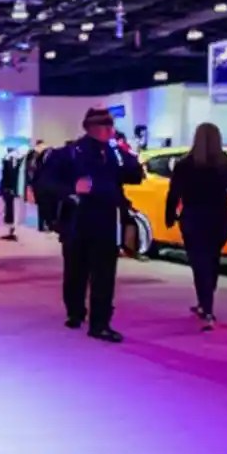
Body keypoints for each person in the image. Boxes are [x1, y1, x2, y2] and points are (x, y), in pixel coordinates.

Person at [41, 108, 144, 343]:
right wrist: (71, 189)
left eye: (111, 127)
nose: (111, 131)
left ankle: (99, 323)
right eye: (106, 127)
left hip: (106, 220)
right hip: (77, 220)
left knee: (104, 274)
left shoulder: (114, 153)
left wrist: (125, 151)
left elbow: (135, 175)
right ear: (92, 129)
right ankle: (76, 312)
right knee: (76, 270)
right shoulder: (70, 153)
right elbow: (45, 183)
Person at [165, 123, 227, 330]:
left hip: (194, 216)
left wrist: (170, 215)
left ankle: (206, 306)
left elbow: (174, 192)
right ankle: (206, 302)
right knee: (212, 259)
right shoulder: (225, 163)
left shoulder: (185, 164)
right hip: (219, 215)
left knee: (198, 261)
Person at [0, 148, 24, 241]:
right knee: (10, 210)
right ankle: (12, 230)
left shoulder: (11, 161)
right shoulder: (14, 160)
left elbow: (8, 176)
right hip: (12, 189)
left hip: (12, 189)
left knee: (13, 210)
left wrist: (7, 189)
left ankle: (13, 230)